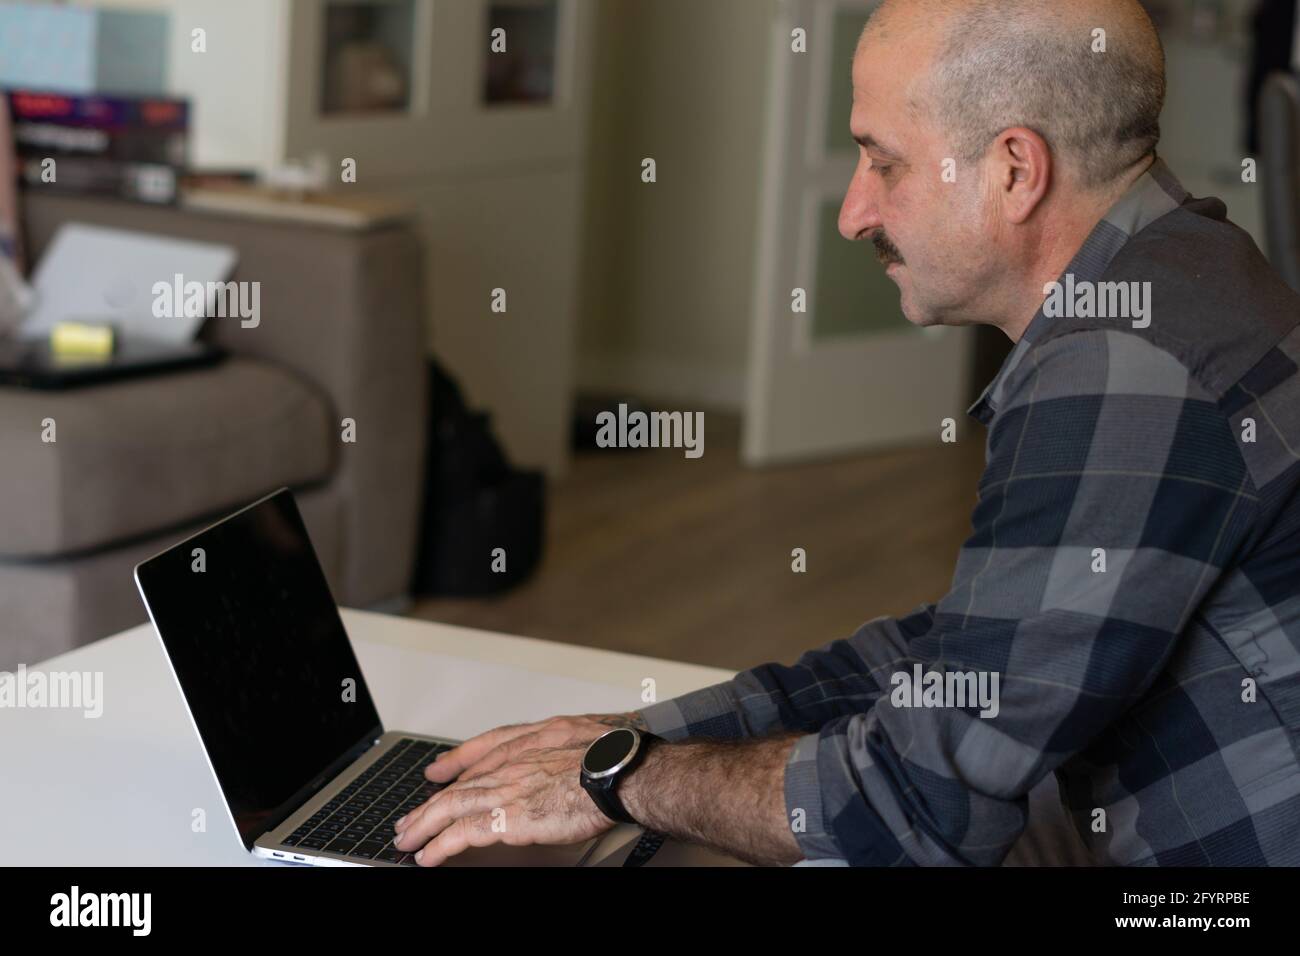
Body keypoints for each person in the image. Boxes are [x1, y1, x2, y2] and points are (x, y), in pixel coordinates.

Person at [391, 0, 1300, 866]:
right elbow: (978, 651)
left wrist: (621, 783)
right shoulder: (1192, 266)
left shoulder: (1124, 366)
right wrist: (644, 739)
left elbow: (918, 810)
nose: (853, 212)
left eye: (884, 162)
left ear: (1016, 170)